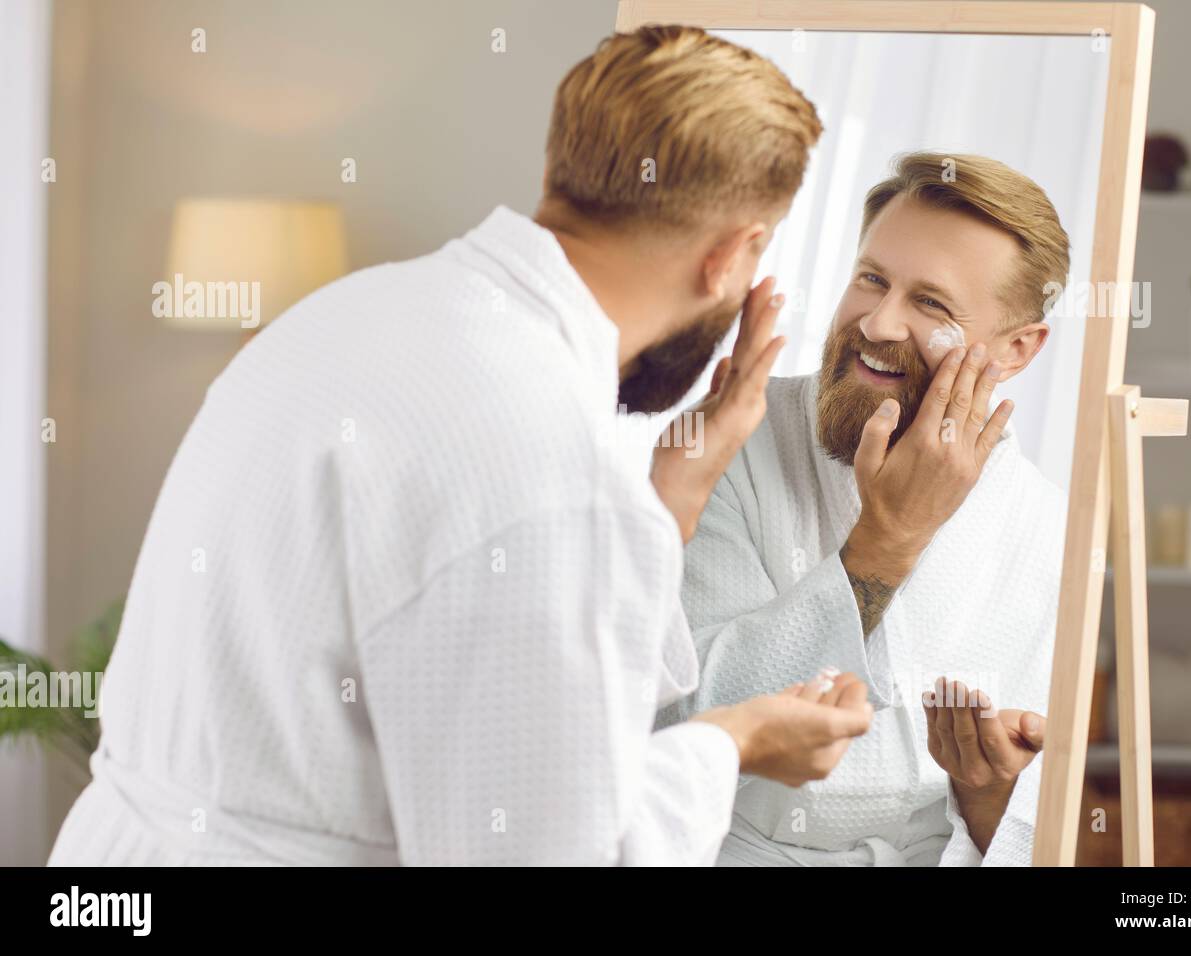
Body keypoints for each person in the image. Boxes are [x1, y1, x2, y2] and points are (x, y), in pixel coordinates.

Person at [49, 25, 885, 867]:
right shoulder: (551, 462)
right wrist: (732, 742)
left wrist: (674, 494)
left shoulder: (331, 315)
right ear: (732, 258)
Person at [660, 153, 1071, 866]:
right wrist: (887, 540)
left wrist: (984, 791)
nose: (879, 323)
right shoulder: (736, 437)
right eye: (872, 279)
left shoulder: (1045, 525)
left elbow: (1022, 821)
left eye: (931, 304)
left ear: (1017, 349)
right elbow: (683, 713)